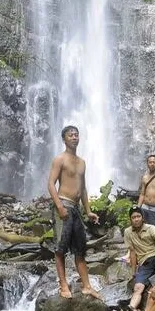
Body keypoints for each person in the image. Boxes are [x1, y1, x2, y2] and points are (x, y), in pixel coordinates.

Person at [47, 125, 101, 300]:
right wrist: (59, 207)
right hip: (63, 203)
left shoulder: (82, 162)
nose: (74, 137)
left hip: (76, 208)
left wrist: (88, 211)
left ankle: (87, 286)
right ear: (64, 139)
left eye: (76, 135)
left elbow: (83, 189)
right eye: (71, 135)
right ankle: (63, 285)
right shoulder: (60, 159)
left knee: (80, 249)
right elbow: (50, 184)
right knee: (60, 248)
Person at [124, 206, 155, 311]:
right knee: (138, 287)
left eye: (138, 216)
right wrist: (133, 272)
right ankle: (132, 307)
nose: (136, 219)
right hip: (145, 262)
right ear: (130, 219)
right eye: (133, 217)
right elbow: (132, 252)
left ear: (142, 218)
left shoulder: (150, 228)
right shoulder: (128, 232)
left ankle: (133, 306)